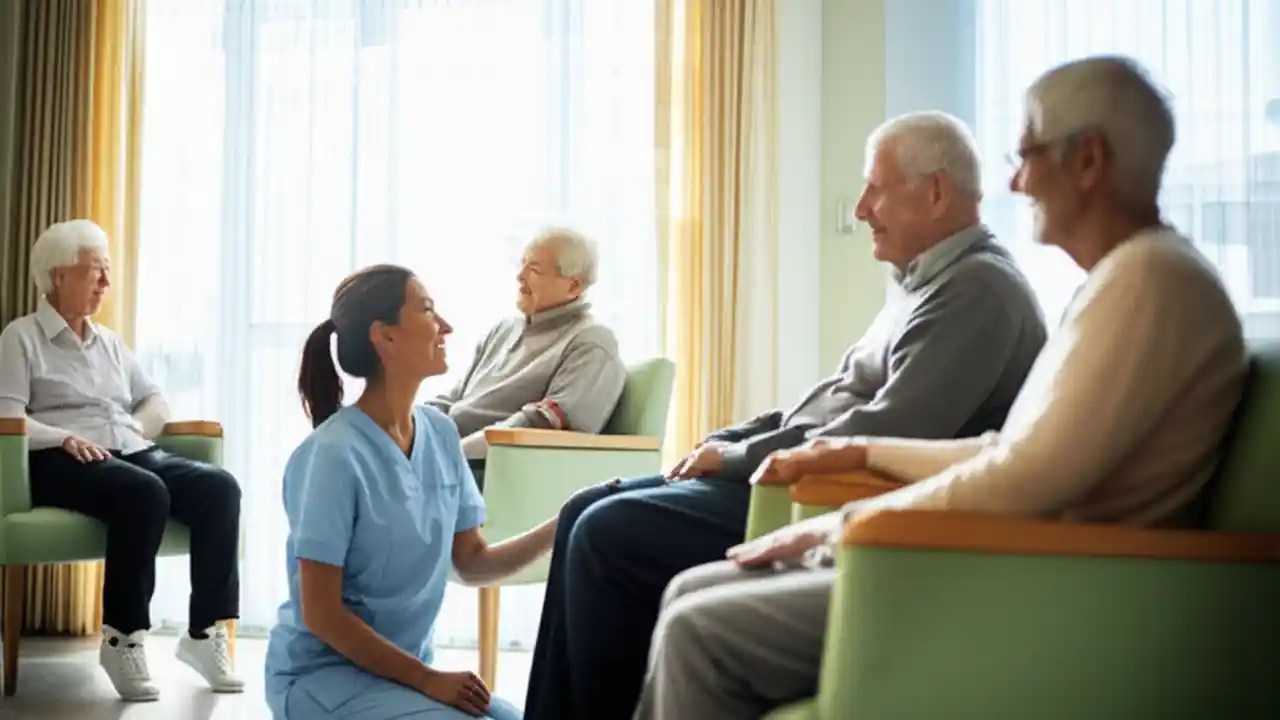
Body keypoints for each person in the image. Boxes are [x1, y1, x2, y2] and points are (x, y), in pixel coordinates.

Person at [634, 55, 1249, 720]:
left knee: (698, 631)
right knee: (690, 592)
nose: (1014, 183)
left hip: (1055, 592)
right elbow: (1012, 450)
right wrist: (864, 456)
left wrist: (837, 527)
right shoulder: (1125, 278)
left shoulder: (1150, 283)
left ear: (1089, 160)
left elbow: (1024, 477)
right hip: (1020, 569)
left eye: (1027, 155)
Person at [524, 112, 1049, 719]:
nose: (859, 209)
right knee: (582, 512)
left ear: (934, 194)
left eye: (875, 189)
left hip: (819, 494)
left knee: (607, 534)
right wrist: (735, 437)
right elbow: (831, 396)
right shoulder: (922, 283)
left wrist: (743, 457)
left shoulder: (979, 290)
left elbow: (887, 429)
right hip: (791, 474)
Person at [265, 264, 557, 719]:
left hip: (399, 675)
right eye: (426, 310)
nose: (445, 326)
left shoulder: (440, 434)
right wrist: (427, 680)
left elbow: (473, 561)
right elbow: (322, 614)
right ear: (386, 336)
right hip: (323, 679)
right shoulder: (331, 455)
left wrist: (566, 522)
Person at [0, 219, 243, 701]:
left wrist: (137, 431)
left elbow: (154, 399)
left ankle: (203, 633)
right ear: (58, 277)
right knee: (143, 492)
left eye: (107, 271)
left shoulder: (109, 341)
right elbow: (7, 415)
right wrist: (64, 437)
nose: (106, 283)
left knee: (220, 487)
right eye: (96, 271)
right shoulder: (20, 337)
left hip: (129, 452)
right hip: (58, 461)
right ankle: (122, 638)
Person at [428, 228, 626, 462]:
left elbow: (543, 423)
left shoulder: (591, 341)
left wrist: (452, 457)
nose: (520, 276)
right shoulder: (504, 329)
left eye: (535, 269)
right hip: (443, 449)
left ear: (574, 286)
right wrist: (402, 426)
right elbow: (453, 401)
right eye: (522, 264)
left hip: (486, 463)